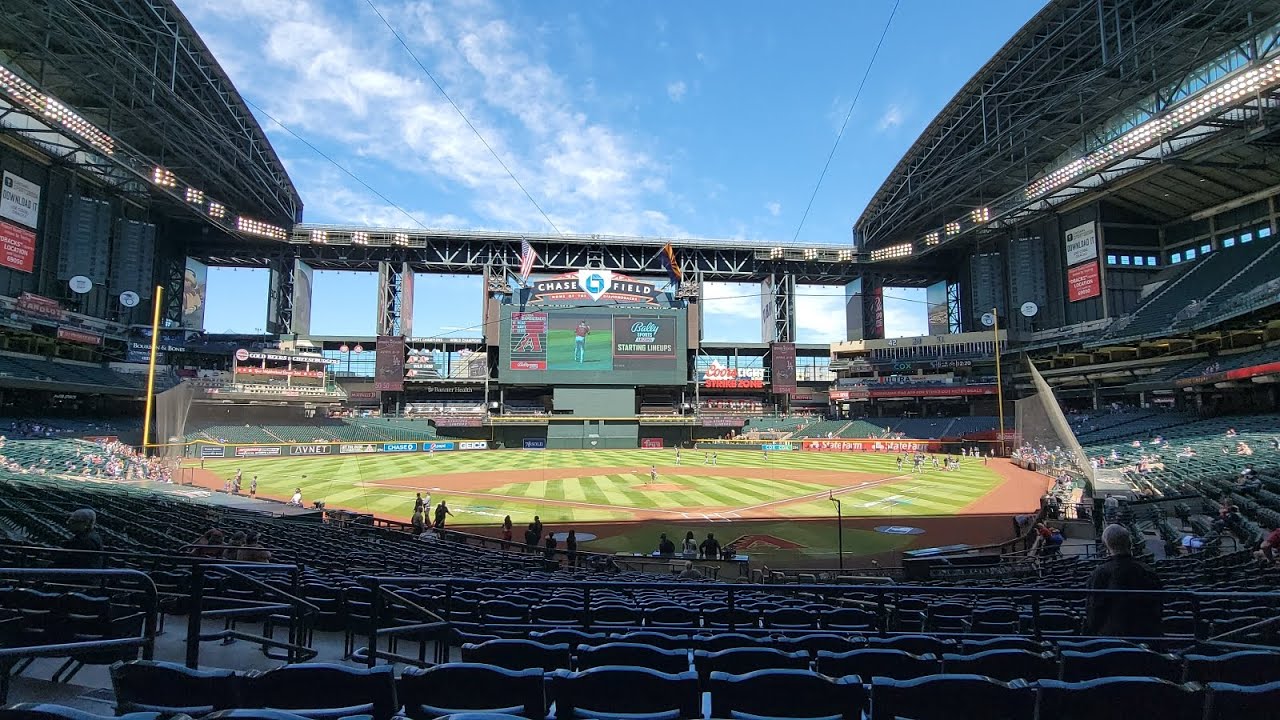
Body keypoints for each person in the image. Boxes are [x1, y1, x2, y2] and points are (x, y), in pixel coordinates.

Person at [1086, 524, 1163, 638]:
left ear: (1107, 546)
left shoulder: (1100, 574)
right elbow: (1157, 608)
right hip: (1146, 638)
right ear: (1129, 543)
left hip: (1110, 640)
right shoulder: (1147, 571)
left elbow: (1093, 612)